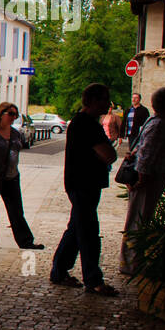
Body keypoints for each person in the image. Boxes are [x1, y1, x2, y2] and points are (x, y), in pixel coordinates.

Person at [50, 83, 119, 296]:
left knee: (76, 228)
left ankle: (59, 270)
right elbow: (108, 155)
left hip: (81, 183)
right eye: (104, 99)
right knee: (88, 231)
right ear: (92, 101)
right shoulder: (87, 124)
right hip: (84, 183)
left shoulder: (83, 122)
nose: (108, 104)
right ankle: (93, 280)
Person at [119, 87, 165, 276]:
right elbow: (146, 153)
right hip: (148, 180)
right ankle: (131, 264)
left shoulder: (157, 122)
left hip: (150, 178)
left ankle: (133, 261)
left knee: (139, 219)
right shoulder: (159, 124)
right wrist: (142, 177)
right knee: (138, 219)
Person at [0, 102, 42, 249]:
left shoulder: (15, 133)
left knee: (16, 210)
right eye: (10, 114)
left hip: (11, 176)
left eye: (15, 115)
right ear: (1, 114)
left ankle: (25, 241)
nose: (13, 117)